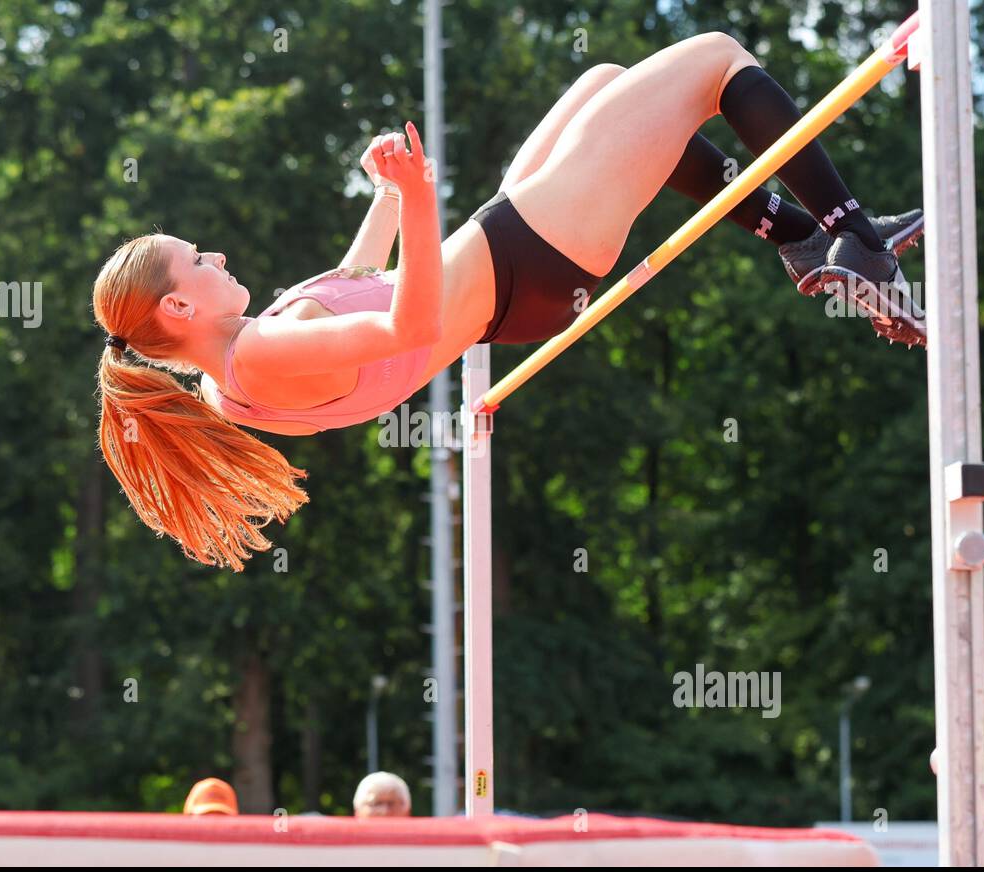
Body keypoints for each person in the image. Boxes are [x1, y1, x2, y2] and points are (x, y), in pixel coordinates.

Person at [92, 33, 924, 570]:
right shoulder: (255, 360)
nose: (217, 255)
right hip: (528, 256)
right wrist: (420, 200)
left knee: (607, 81)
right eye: (195, 261)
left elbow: (359, 287)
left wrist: (386, 193)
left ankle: (797, 236)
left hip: (509, 256)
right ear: (177, 312)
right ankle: (854, 238)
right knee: (712, 61)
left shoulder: (230, 372)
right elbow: (408, 326)